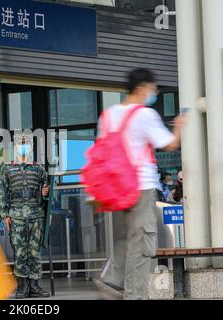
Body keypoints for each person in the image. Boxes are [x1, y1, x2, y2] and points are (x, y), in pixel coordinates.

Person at [94, 68, 186, 300]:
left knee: (126, 241)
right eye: (153, 88)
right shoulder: (145, 115)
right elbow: (169, 144)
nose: (153, 92)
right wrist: (179, 126)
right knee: (143, 244)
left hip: (114, 189)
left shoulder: (109, 114)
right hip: (139, 187)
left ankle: (114, 282)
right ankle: (134, 296)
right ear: (142, 88)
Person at [0, 134, 51, 299]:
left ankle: (34, 286)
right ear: (14, 147)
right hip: (16, 216)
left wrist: (45, 194)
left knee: (34, 251)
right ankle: (22, 286)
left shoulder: (39, 169)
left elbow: (47, 195)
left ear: (31, 147)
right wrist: (5, 215)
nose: (23, 146)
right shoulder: (7, 169)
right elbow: (2, 194)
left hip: (36, 215)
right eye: (20, 144)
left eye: (26, 144)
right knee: (20, 252)